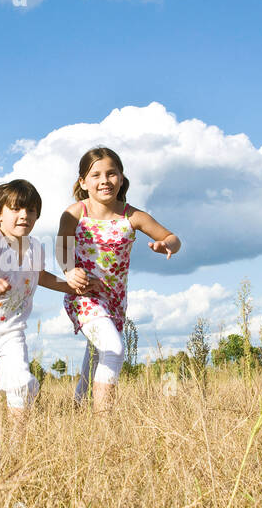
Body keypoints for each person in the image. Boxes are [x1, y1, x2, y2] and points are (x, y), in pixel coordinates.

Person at [57, 147, 181, 413]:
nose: (104, 180)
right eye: (96, 175)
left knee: (96, 354)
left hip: (114, 300)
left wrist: (165, 245)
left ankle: (78, 409)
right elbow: (62, 248)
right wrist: (69, 271)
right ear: (83, 182)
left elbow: (173, 238)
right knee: (113, 348)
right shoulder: (75, 213)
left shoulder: (132, 216)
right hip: (83, 296)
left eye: (111, 173)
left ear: (121, 178)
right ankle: (104, 423)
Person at [0, 179, 76, 425]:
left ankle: (16, 441)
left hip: (12, 329)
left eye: (31, 210)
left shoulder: (35, 247)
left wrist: (72, 286)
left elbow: (40, 276)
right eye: (16, 209)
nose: (24, 215)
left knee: (20, 381)